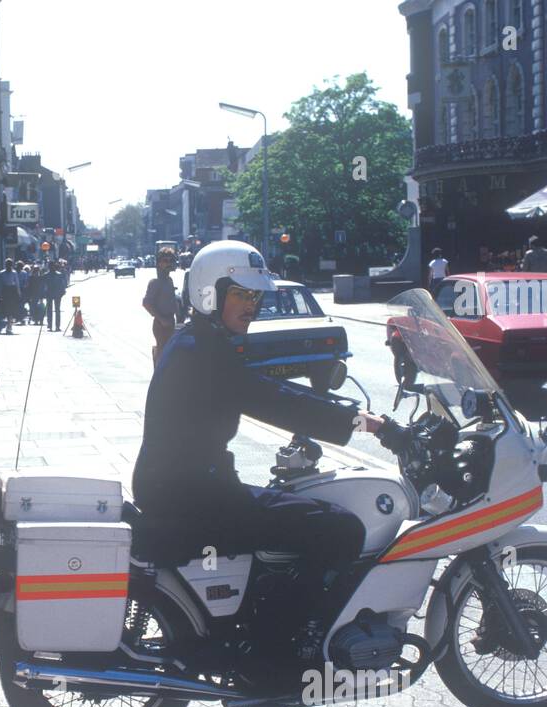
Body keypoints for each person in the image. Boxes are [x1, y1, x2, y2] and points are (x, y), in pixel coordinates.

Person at [132, 241, 400, 671]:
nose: (251, 305)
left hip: (184, 483)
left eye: (255, 296)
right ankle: (277, 653)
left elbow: (267, 389)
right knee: (339, 530)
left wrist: (341, 414)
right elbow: (268, 398)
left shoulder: (198, 341)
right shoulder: (201, 351)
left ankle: (263, 625)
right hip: (194, 491)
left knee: (296, 515)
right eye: (241, 294)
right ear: (210, 292)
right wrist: (362, 422)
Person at [143, 246, 179, 365]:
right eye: (165, 261)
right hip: (161, 324)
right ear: (159, 263)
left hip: (170, 321)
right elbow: (146, 303)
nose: (168, 264)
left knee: (170, 352)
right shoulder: (155, 282)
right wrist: (161, 319)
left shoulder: (169, 280)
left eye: (170, 261)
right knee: (163, 353)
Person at [0, 257, 20, 335]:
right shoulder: (2, 273)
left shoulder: (14, 273)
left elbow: (17, 284)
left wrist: (18, 293)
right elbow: (0, 285)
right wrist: (0, 294)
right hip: (6, 291)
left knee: (11, 310)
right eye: (8, 264)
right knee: (6, 310)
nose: (9, 266)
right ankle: (9, 326)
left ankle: (9, 326)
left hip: (11, 292)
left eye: (10, 264)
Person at [45, 259, 66, 332]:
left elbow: (63, 285)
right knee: (51, 310)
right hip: (50, 294)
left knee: (56, 310)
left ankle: (56, 326)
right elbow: (44, 286)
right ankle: (50, 325)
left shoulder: (58, 275)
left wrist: (62, 292)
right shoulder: (46, 275)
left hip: (56, 294)